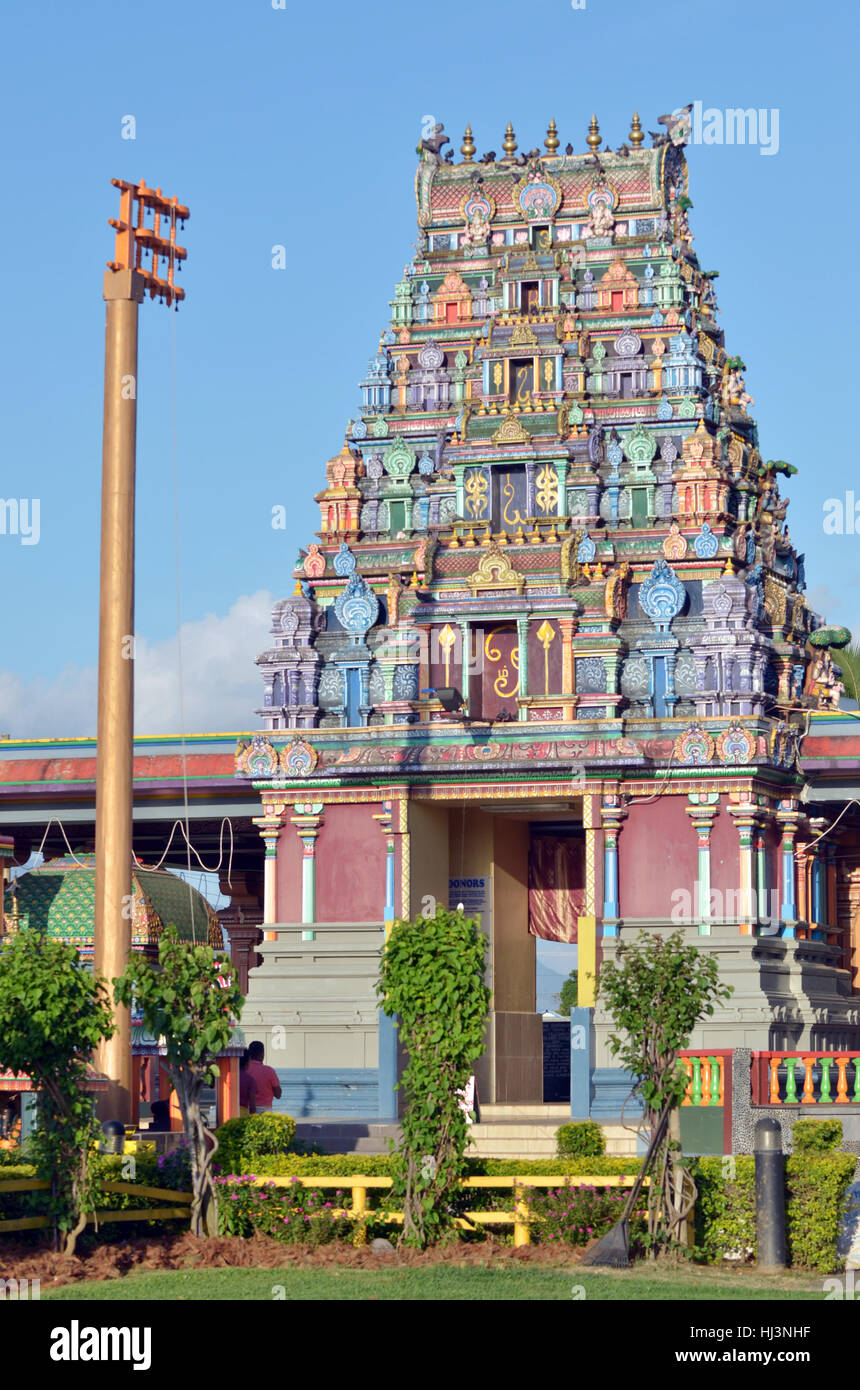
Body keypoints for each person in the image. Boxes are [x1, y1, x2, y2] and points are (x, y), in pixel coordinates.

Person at [246, 1040, 282, 1112]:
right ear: (262, 1054)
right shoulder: (269, 1071)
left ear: (249, 1054)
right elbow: (278, 1094)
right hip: (265, 1111)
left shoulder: (244, 1070)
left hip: (246, 1109)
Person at [238, 1049, 257, 1116]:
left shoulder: (228, 1077)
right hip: (242, 1114)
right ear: (247, 1062)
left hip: (227, 1112)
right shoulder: (250, 1080)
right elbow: (252, 1105)